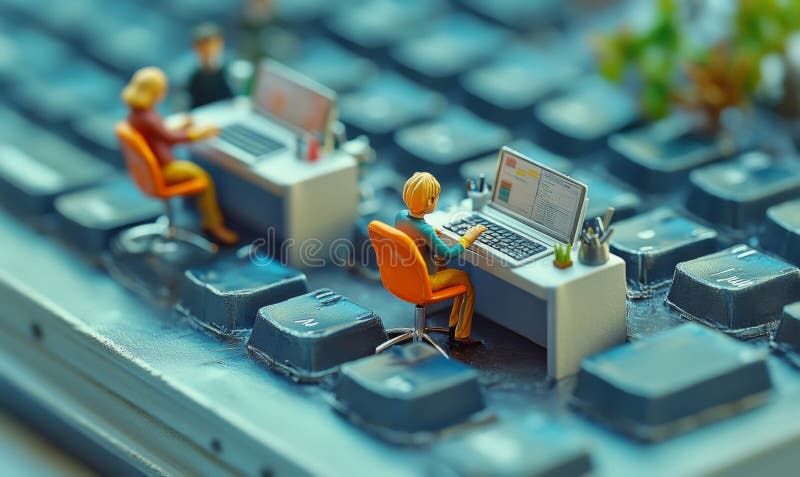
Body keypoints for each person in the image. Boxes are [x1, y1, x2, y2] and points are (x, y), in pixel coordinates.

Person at [121, 66, 239, 245]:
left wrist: (180, 125)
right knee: (202, 178)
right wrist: (200, 133)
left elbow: (157, 135)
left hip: (149, 169)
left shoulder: (136, 113)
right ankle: (213, 225)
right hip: (163, 170)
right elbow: (169, 139)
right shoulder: (148, 117)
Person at [395, 172, 487, 347]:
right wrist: (468, 237)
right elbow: (449, 253)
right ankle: (460, 333)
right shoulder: (426, 230)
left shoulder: (400, 216)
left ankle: (454, 325)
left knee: (454, 277)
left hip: (403, 276)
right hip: (425, 281)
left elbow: (410, 237)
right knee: (466, 282)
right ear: (429, 202)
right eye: (436, 197)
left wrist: (428, 237)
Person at [187, 23, 233, 110]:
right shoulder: (195, 78)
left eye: (212, 47)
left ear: (220, 44)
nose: (208, 52)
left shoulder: (229, 70)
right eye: (203, 49)